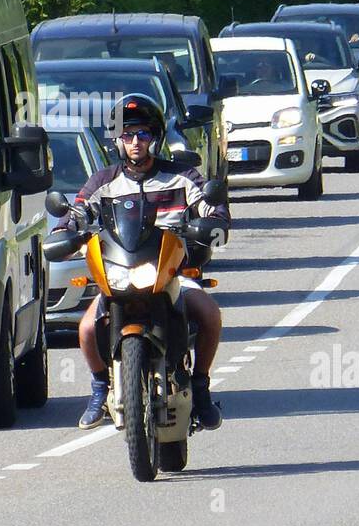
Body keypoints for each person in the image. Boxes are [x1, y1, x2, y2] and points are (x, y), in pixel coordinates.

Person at [53, 93, 230, 431]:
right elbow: (76, 214)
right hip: (120, 274)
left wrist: (214, 218)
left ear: (156, 138)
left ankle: (202, 387)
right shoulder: (102, 183)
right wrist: (65, 231)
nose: (136, 142)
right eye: (128, 134)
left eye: (144, 134)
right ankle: (99, 390)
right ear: (118, 140)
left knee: (210, 314)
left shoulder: (183, 177)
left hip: (171, 272)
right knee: (87, 328)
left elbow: (210, 208)